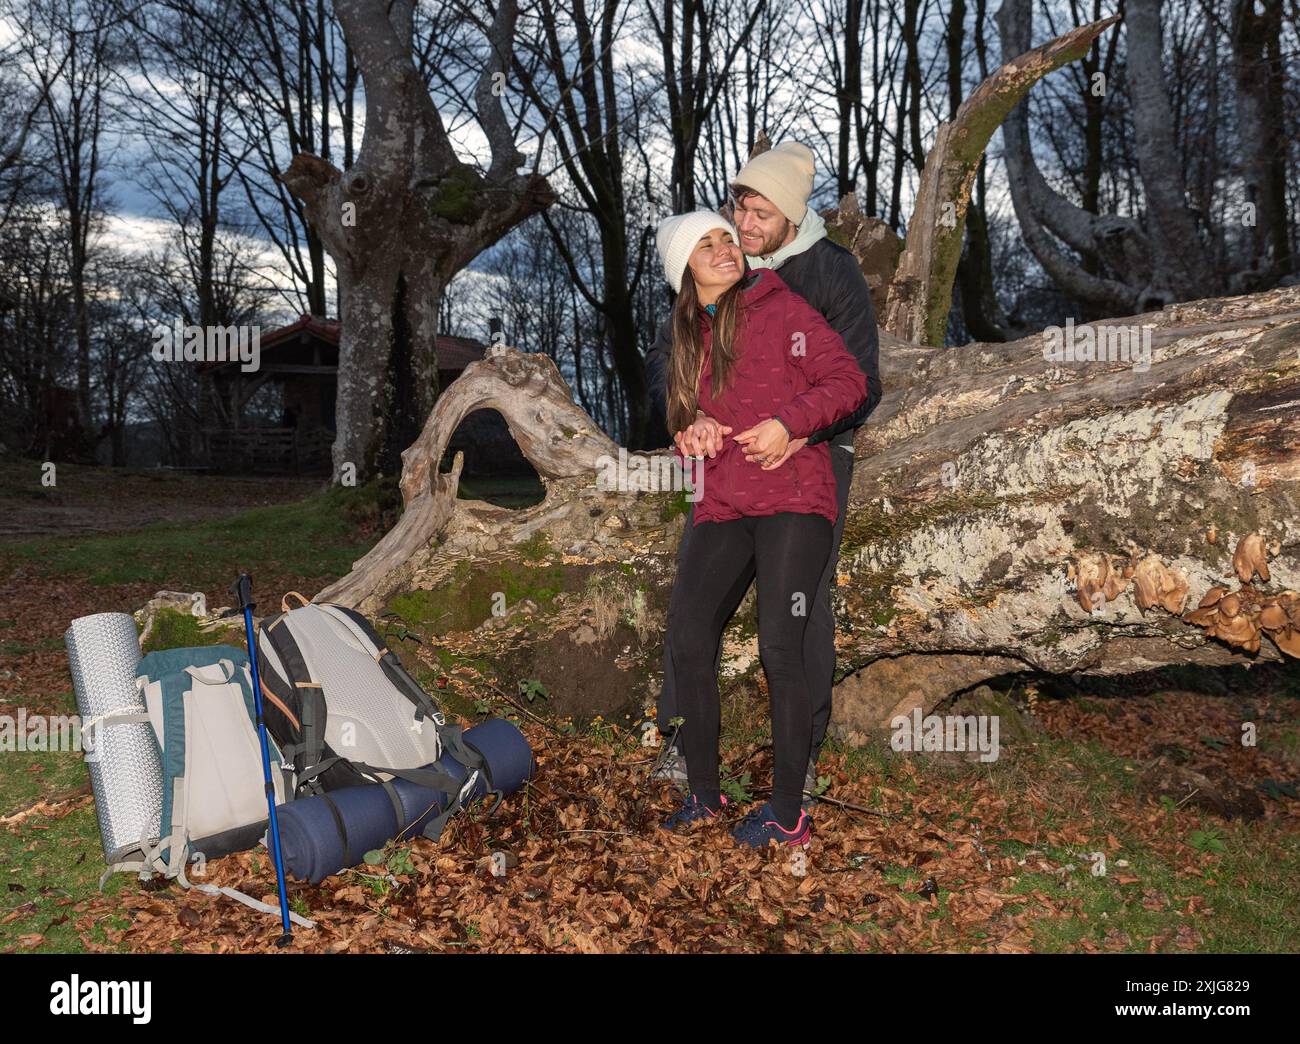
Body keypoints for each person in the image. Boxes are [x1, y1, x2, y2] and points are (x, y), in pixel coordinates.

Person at [647, 143, 882, 806]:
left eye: (757, 216)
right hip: (724, 478)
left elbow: (855, 378)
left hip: (809, 454)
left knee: (799, 615)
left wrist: (798, 427)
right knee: (690, 618)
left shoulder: (822, 275)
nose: (743, 230)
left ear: (791, 216)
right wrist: (688, 424)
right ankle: (688, 754)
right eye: (735, 213)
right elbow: (670, 383)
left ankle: (797, 766)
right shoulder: (695, 317)